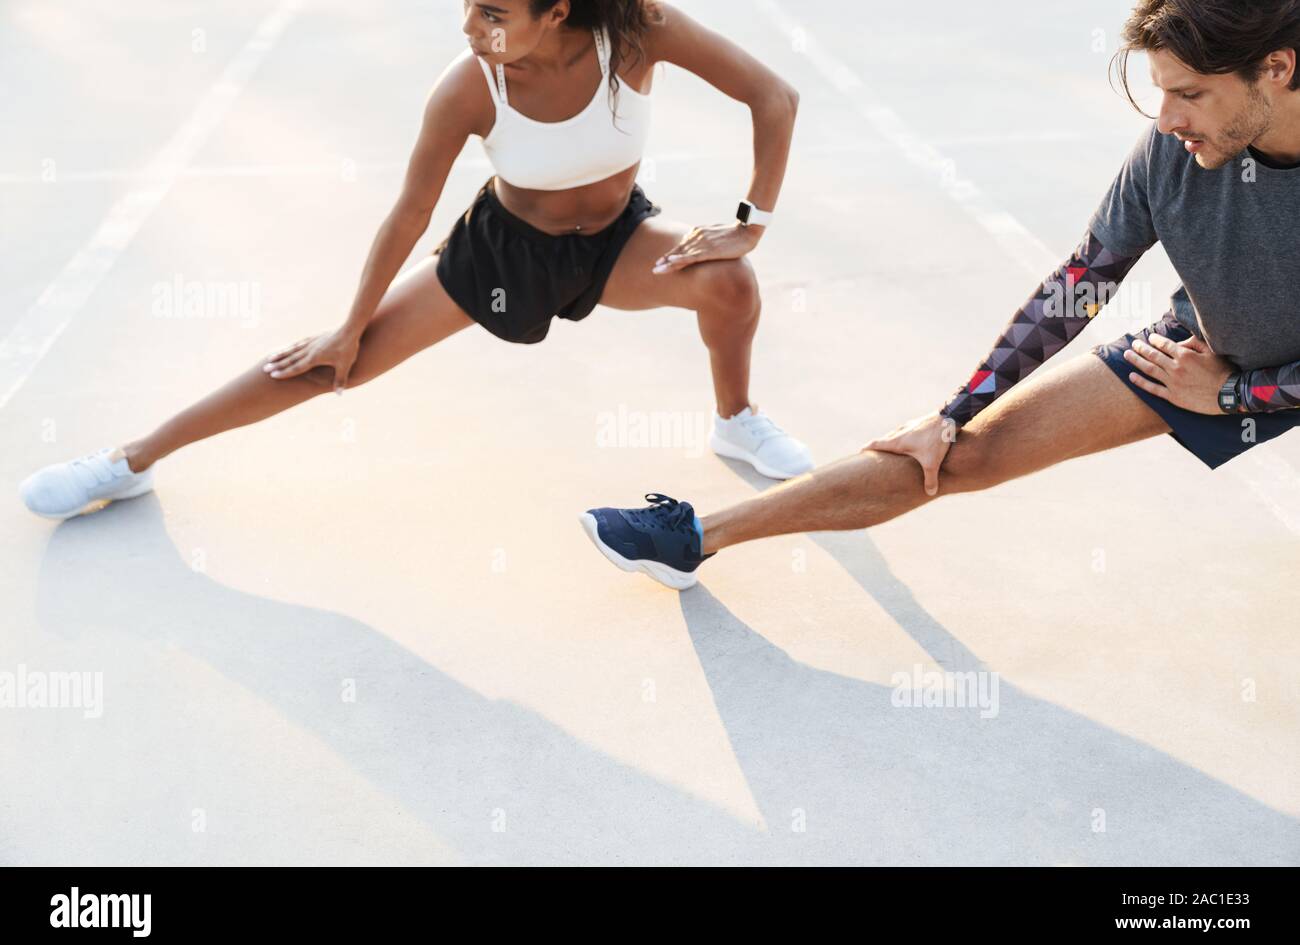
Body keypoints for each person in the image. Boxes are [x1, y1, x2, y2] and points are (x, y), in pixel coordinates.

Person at [582, 0, 1300, 590]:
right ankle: (697, 537)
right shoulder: (1172, 149)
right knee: (954, 453)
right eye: (1164, 92)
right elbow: (1081, 284)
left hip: (1236, 382)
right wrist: (954, 412)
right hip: (1202, 359)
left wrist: (1234, 398)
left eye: (1190, 93)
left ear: (1276, 68)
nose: (1167, 117)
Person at [20, 0, 812, 521]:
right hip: (504, 255)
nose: (470, 25)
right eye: (468, 3)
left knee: (730, 282)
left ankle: (735, 422)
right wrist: (348, 325)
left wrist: (752, 224)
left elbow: (773, 96)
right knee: (339, 363)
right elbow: (410, 213)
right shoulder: (469, 87)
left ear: (557, 12)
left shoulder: (636, 32)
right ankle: (129, 459)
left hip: (614, 243)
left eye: (494, 13)